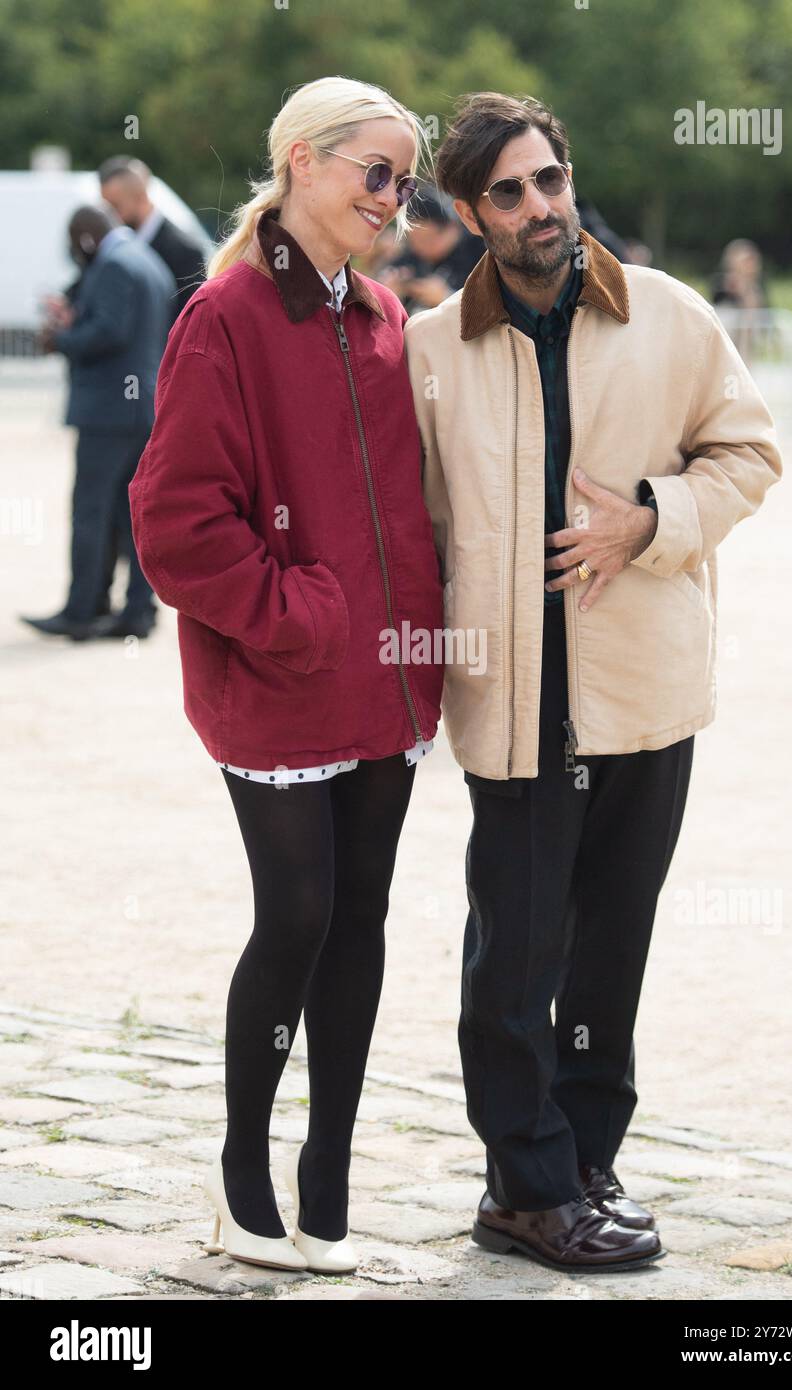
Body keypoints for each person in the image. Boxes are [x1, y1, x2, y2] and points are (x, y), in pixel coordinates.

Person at [404, 92, 782, 1273]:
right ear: (471, 211)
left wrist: (652, 521)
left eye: (551, 180)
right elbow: (407, 527)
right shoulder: (426, 351)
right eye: (509, 192)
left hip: (643, 693)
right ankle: (523, 1185)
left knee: (610, 948)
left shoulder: (668, 315)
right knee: (513, 956)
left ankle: (581, 1160)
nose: (539, 208)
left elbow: (748, 452)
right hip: (513, 703)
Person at [128, 76, 444, 1274]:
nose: (393, 196)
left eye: (405, 179)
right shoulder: (224, 316)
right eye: (376, 169)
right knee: (298, 911)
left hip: (386, 681)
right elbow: (173, 525)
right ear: (301, 162)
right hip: (276, 676)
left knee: (357, 918)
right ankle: (242, 1175)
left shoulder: (379, 315)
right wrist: (297, 612)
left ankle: (329, 1178)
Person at [21, 204, 174, 641]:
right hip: (138, 408)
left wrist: (60, 339)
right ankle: (137, 611)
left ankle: (81, 611)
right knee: (130, 518)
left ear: (86, 238)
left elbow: (109, 331)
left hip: (108, 411)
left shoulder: (113, 265)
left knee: (90, 512)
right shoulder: (147, 261)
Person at [98, 156, 207, 321]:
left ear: (140, 196)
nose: (109, 215)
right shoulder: (114, 245)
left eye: (115, 206)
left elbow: (190, 324)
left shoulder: (184, 251)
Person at [377, 185, 484, 313]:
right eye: (413, 241)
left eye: (426, 240)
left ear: (451, 228)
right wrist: (388, 295)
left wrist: (446, 297)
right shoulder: (411, 259)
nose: (419, 247)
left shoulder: (480, 253)